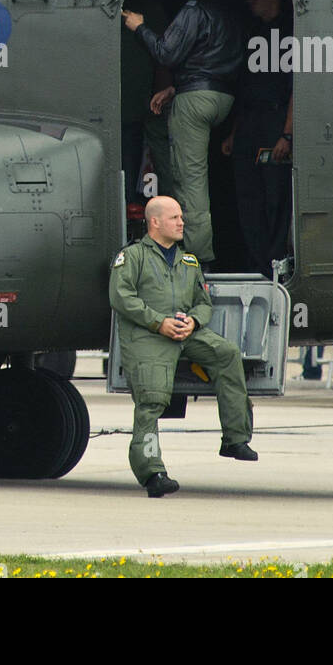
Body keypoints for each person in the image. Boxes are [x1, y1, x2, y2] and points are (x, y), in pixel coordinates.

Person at [108, 196, 256, 497]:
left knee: (226, 353)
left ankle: (235, 439)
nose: (181, 223)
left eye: (181, 217)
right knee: (151, 399)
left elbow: (203, 302)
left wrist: (193, 322)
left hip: (184, 332)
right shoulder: (132, 257)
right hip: (148, 335)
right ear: (155, 222)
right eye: (174, 218)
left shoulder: (188, 261)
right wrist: (158, 322)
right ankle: (152, 473)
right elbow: (121, 297)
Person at [123, 0, 243, 264]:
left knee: (190, 183)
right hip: (222, 97)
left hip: (195, 101)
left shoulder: (195, 9)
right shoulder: (229, 11)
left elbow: (166, 53)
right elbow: (212, 62)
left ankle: (197, 258)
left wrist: (139, 27)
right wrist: (175, 88)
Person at [221, 0, 293, 278]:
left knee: (274, 195)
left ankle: (275, 262)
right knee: (248, 197)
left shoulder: (291, 33)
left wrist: (286, 134)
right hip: (249, 124)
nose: (250, 3)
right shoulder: (253, 34)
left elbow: (296, 89)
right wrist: (234, 132)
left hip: (274, 121)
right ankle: (256, 264)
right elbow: (246, 89)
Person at [119, 0, 174, 216]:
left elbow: (163, 55)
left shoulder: (151, 11)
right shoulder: (152, 11)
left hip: (145, 101)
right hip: (138, 102)